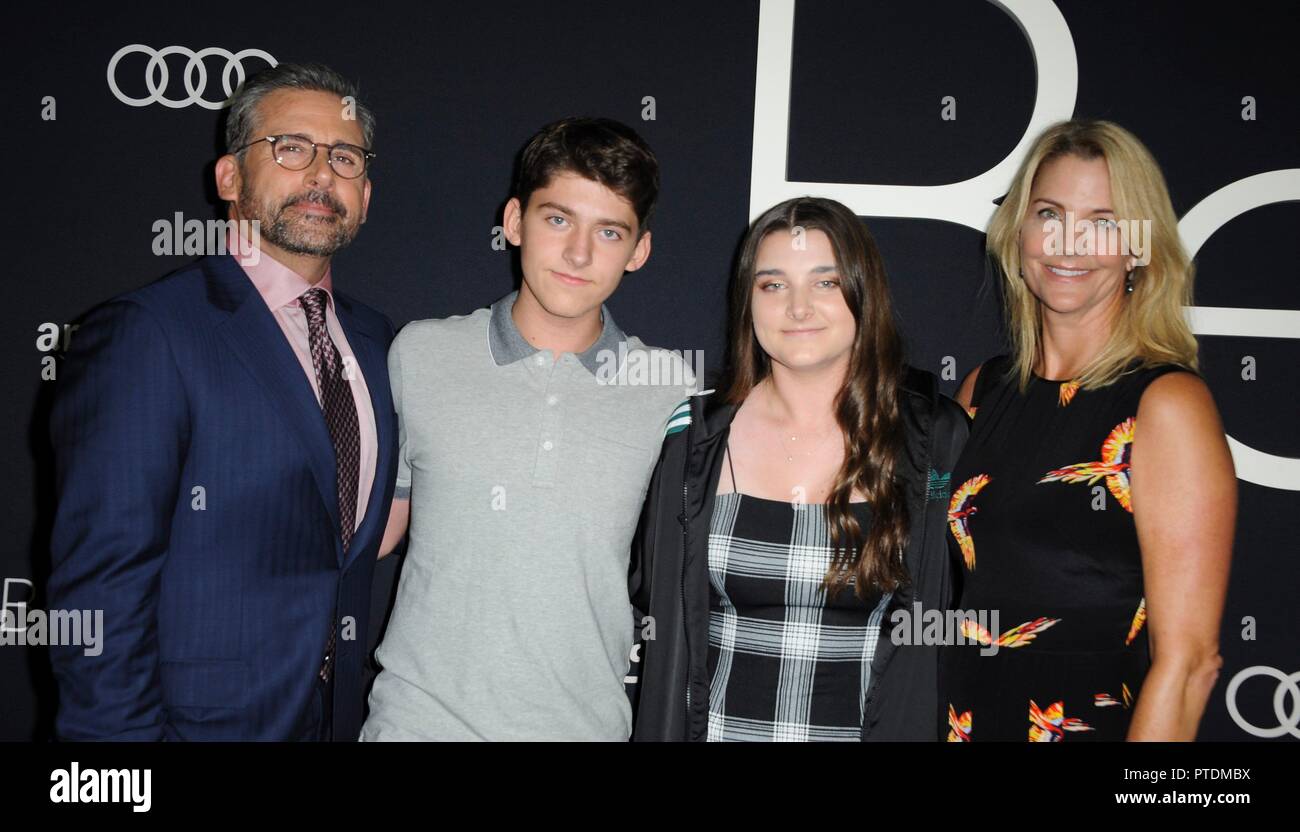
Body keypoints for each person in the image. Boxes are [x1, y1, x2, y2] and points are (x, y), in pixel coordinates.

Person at [47, 63, 397, 741]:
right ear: (230, 177)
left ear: (367, 192)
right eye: (292, 148)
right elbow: (101, 588)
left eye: (345, 157)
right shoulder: (150, 332)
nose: (322, 175)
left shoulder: (379, 341)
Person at [362, 118, 693, 741]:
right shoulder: (421, 353)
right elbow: (375, 531)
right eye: (558, 219)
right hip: (418, 725)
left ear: (639, 250)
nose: (578, 253)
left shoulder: (669, 388)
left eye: (610, 231)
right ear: (514, 221)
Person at [630, 196, 969, 741]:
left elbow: (962, 622)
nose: (798, 308)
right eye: (773, 285)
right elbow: (660, 619)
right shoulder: (696, 439)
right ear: (748, 302)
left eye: (826, 282)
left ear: (864, 292)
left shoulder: (935, 440)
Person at [940, 119, 1235, 742]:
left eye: (1103, 221)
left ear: (1137, 248)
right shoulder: (982, 391)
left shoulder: (1166, 406)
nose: (1068, 242)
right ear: (1018, 234)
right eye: (1049, 213)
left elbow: (1189, 664)